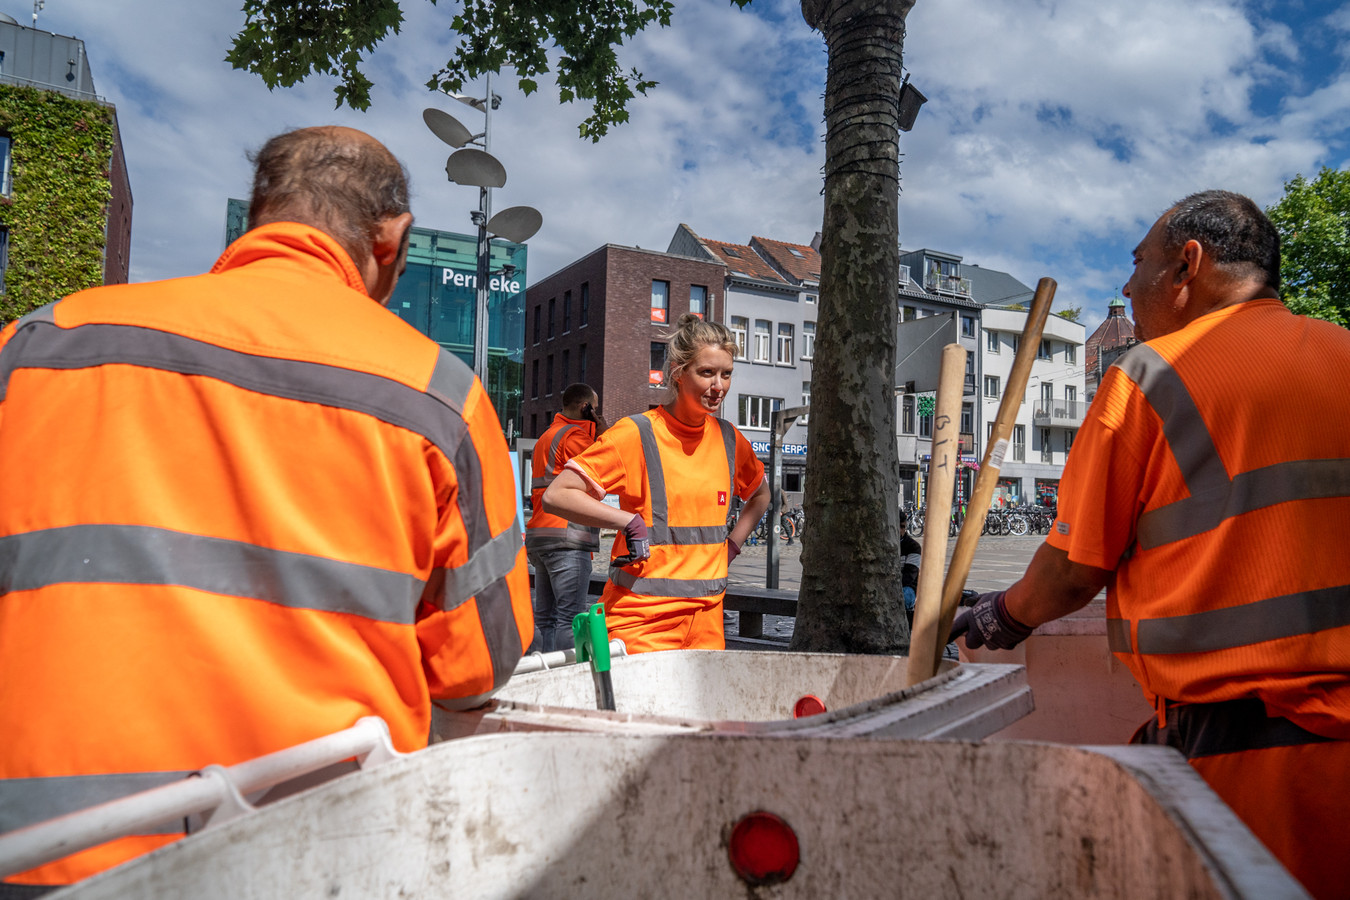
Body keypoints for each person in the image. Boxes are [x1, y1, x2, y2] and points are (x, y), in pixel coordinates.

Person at [0, 126, 532, 892]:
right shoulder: (438, 397)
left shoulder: (40, 345)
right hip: (313, 857)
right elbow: (477, 668)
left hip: (41, 853)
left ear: (260, 214)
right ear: (392, 241)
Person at [951, 190, 1350, 898]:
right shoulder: (1341, 352)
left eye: (1138, 264)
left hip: (1248, 753)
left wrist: (1000, 616)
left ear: (1187, 265)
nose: (1129, 287)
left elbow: (1073, 570)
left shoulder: (1150, 376)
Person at [542, 313, 770, 653]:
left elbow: (761, 494)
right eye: (707, 372)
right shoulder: (636, 433)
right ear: (678, 373)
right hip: (641, 624)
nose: (718, 386)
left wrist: (732, 547)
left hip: (707, 624)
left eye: (726, 374)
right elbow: (558, 494)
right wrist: (627, 521)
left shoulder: (729, 439)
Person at [526, 383, 607, 652]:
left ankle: (544, 669)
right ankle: (570, 673)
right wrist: (603, 433)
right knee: (570, 619)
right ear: (586, 408)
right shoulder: (574, 438)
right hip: (567, 539)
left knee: (545, 619)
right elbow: (604, 468)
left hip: (541, 537)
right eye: (594, 409)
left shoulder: (546, 437)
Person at [897, 510, 922, 628]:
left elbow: (909, 576)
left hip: (907, 587)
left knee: (905, 595)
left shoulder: (913, 546)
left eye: (902, 527)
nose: (900, 531)